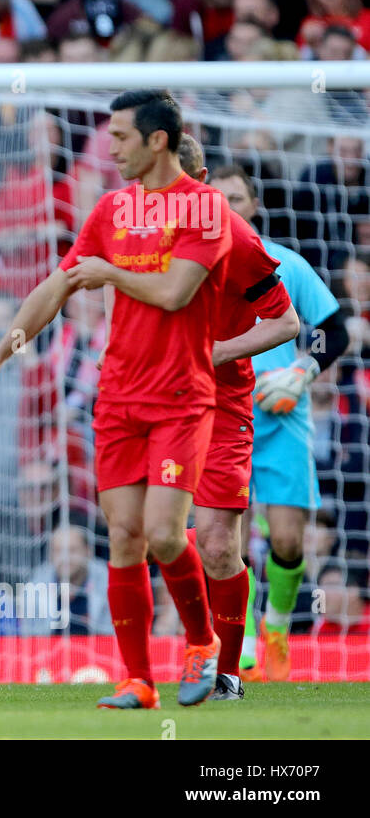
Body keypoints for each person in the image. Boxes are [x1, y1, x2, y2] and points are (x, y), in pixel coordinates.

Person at [0, 89, 227, 710]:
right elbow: (56, 287)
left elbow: (175, 293)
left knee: (166, 535)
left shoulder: (204, 207)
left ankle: (201, 641)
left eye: (120, 138)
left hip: (181, 398)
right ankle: (137, 679)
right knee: (125, 535)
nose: (109, 149)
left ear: (157, 140)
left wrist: (109, 274)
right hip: (118, 399)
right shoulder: (109, 209)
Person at [165, 137, 300, 701]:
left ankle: (226, 672)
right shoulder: (137, 228)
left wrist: (216, 351)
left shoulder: (238, 240)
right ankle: (188, 653)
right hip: (157, 400)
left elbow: (287, 323)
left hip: (223, 403)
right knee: (155, 536)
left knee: (219, 545)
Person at [209, 164, 351, 682]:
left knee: (289, 540)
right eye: (218, 198)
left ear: (254, 205)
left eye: (237, 198)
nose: (228, 207)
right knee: (228, 538)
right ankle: (242, 645)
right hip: (223, 415)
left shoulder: (284, 264)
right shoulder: (197, 266)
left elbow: (333, 331)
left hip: (281, 419)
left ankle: (276, 630)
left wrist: (300, 371)